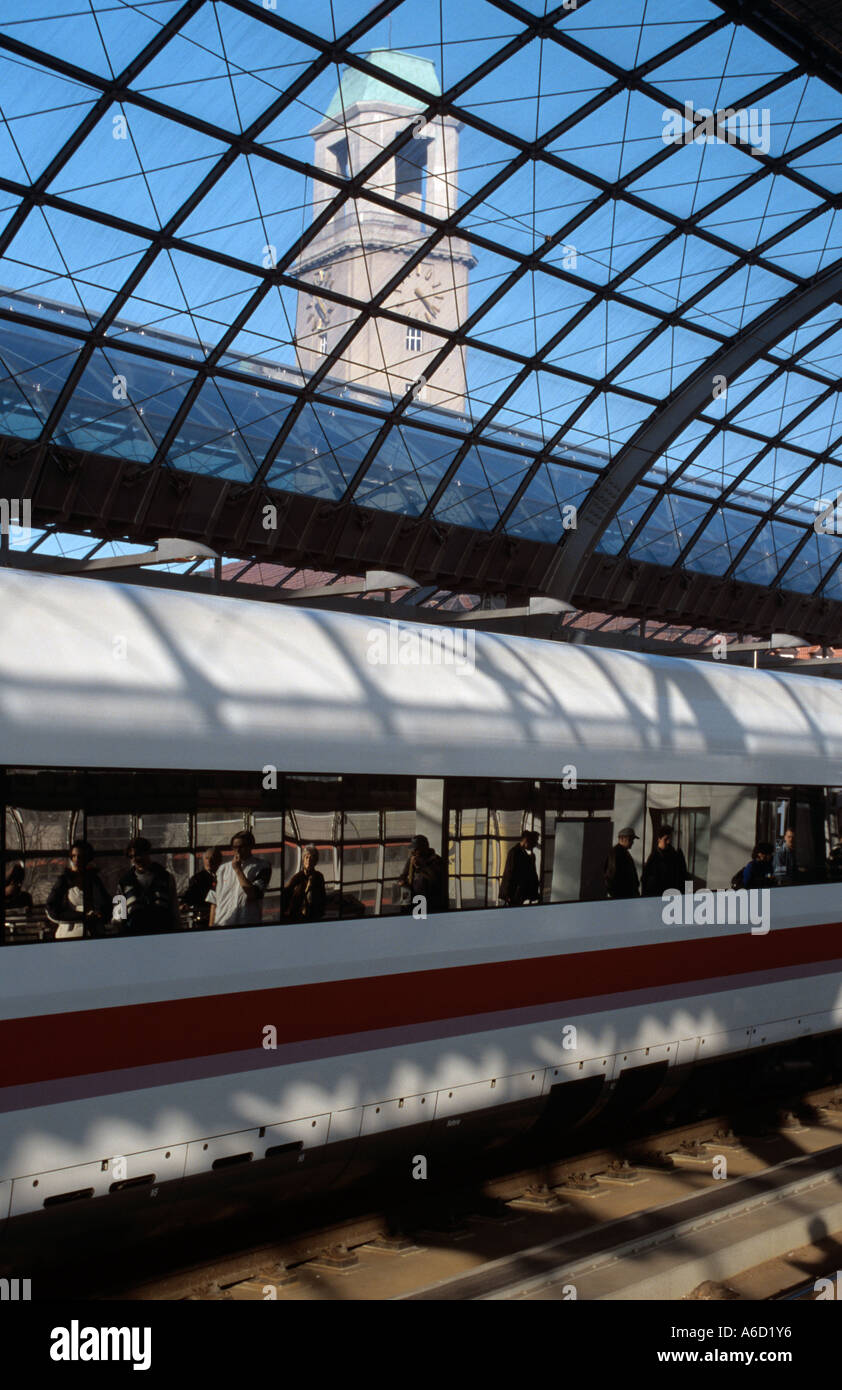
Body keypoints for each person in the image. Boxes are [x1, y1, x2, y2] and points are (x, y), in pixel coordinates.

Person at [46, 840, 110, 937]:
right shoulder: (64, 880)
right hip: (70, 928)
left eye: (80, 857)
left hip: (91, 928)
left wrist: (99, 914)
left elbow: (104, 902)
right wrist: (80, 916)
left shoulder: (94, 880)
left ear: (87, 859)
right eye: (74, 856)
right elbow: (51, 907)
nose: (76, 860)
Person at [208, 830, 271, 928]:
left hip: (247, 924)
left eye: (241, 847)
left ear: (250, 846)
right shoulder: (223, 869)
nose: (237, 850)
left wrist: (238, 870)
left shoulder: (262, 867)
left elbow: (254, 894)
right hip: (222, 924)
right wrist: (211, 925)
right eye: (234, 847)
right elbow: (214, 900)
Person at [118, 837, 179, 936]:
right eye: (132, 857)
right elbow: (119, 914)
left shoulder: (166, 878)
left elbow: (174, 907)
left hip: (162, 932)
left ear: (147, 853)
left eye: (138, 855)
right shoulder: (124, 882)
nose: (135, 860)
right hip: (135, 934)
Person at [398, 834, 445, 914]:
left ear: (424, 848)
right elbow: (404, 874)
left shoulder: (436, 860)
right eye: (413, 850)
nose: (413, 852)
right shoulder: (412, 859)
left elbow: (436, 880)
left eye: (416, 849)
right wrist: (402, 881)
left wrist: (421, 868)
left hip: (430, 899)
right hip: (414, 897)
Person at [179, 846, 223, 928]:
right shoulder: (198, 878)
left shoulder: (225, 876)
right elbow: (190, 894)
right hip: (203, 919)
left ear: (219, 860)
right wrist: (184, 903)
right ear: (203, 860)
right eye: (207, 858)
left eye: (213, 858)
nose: (209, 861)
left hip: (222, 918)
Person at [282, 844, 327, 923]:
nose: (308, 860)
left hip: (315, 916)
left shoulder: (319, 877)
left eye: (311, 857)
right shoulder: (296, 878)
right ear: (303, 860)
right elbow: (287, 895)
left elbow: (322, 897)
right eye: (306, 857)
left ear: (315, 861)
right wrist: (307, 889)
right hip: (299, 917)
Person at [641, 826, 689, 897]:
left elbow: (685, 875)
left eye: (670, 839)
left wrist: (688, 894)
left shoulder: (676, 855)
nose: (668, 842)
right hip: (659, 896)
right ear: (659, 839)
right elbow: (646, 880)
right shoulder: (654, 857)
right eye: (666, 839)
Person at [500, 830, 541, 906]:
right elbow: (510, 873)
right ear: (526, 840)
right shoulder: (515, 853)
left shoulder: (517, 853)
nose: (534, 845)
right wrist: (508, 894)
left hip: (517, 893)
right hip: (516, 893)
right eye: (533, 843)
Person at [604, 828, 640, 899]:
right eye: (631, 839)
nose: (632, 842)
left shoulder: (622, 852)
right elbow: (610, 876)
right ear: (623, 839)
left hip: (625, 896)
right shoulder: (616, 853)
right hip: (622, 897)